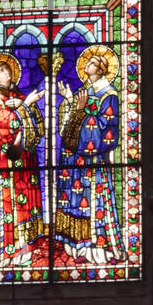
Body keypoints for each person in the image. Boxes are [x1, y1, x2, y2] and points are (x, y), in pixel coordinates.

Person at [56, 45, 124, 266]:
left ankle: (98, 250)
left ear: (102, 69)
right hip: (74, 162)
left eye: (93, 62)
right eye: (88, 62)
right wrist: (68, 100)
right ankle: (75, 248)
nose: (88, 64)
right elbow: (66, 126)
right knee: (74, 204)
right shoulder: (83, 91)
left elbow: (107, 129)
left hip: (92, 161)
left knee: (92, 204)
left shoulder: (109, 94)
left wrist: (83, 113)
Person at [0, 53, 45, 267]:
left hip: (23, 160)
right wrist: (26, 103)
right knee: (8, 205)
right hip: (3, 162)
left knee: (25, 205)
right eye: (0, 71)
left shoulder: (16, 96)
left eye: (7, 70)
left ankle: (25, 247)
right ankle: (5, 251)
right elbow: (5, 121)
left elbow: (36, 126)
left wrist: (28, 105)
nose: (5, 73)